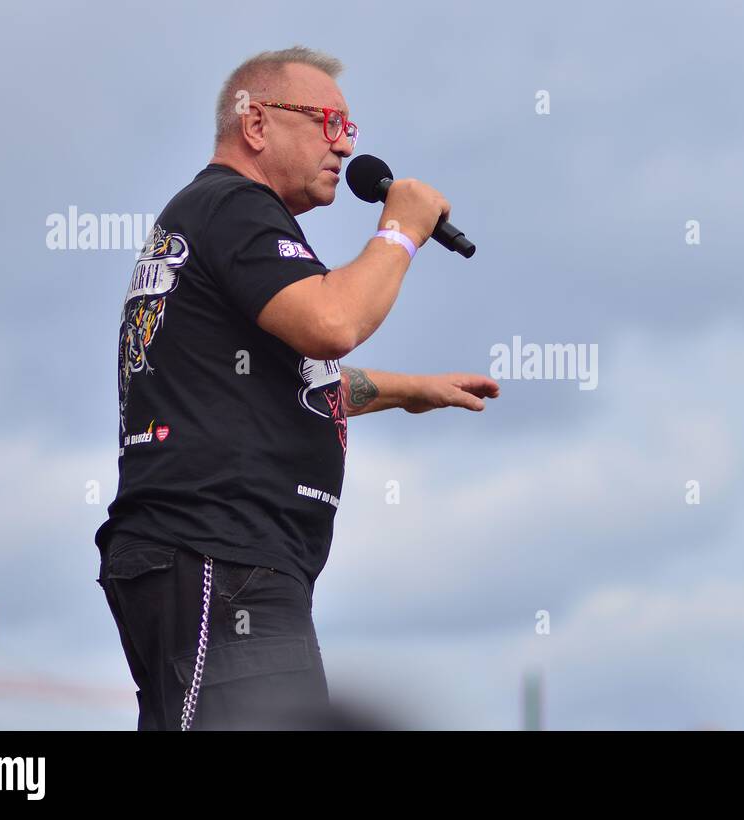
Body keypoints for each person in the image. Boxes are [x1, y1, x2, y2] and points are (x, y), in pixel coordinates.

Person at [94, 46, 498, 730]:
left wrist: (409, 389)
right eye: (326, 122)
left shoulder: (215, 216)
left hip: (215, 558)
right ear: (256, 124)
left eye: (350, 130)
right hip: (222, 554)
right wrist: (399, 231)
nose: (343, 145)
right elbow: (333, 323)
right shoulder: (233, 208)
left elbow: (293, 381)